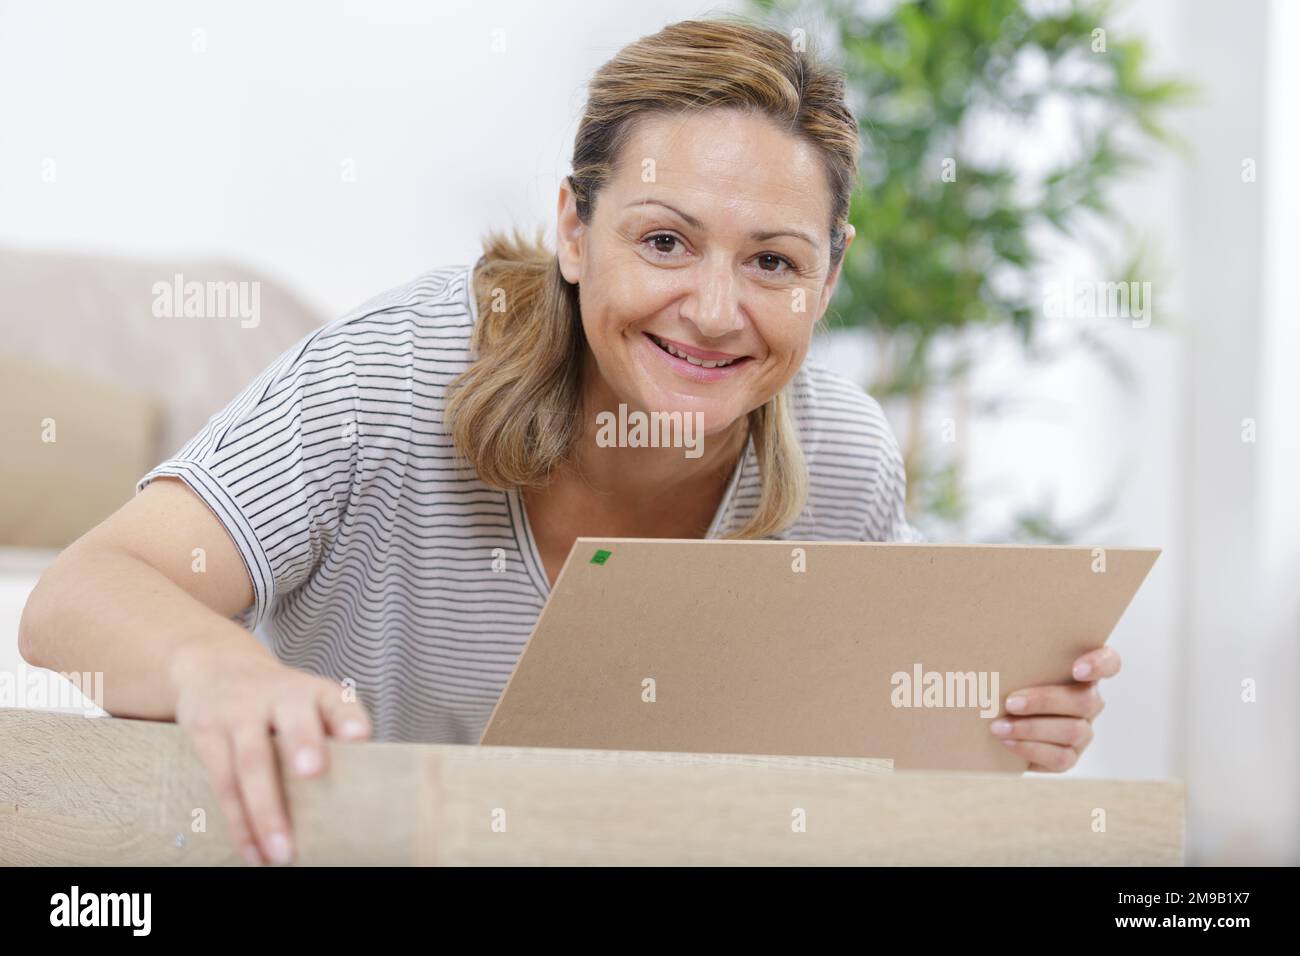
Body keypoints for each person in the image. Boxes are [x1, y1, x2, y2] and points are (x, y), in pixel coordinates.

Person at [18, 17, 1119, 866]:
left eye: (773, 262)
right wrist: (215, 667)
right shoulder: (399, 371)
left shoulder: (841, 460)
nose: (714, 309)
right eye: (664, 240)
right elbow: (77, 596)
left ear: (828, 275)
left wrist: (997, 718)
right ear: (573, 231)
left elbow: (869, 766)